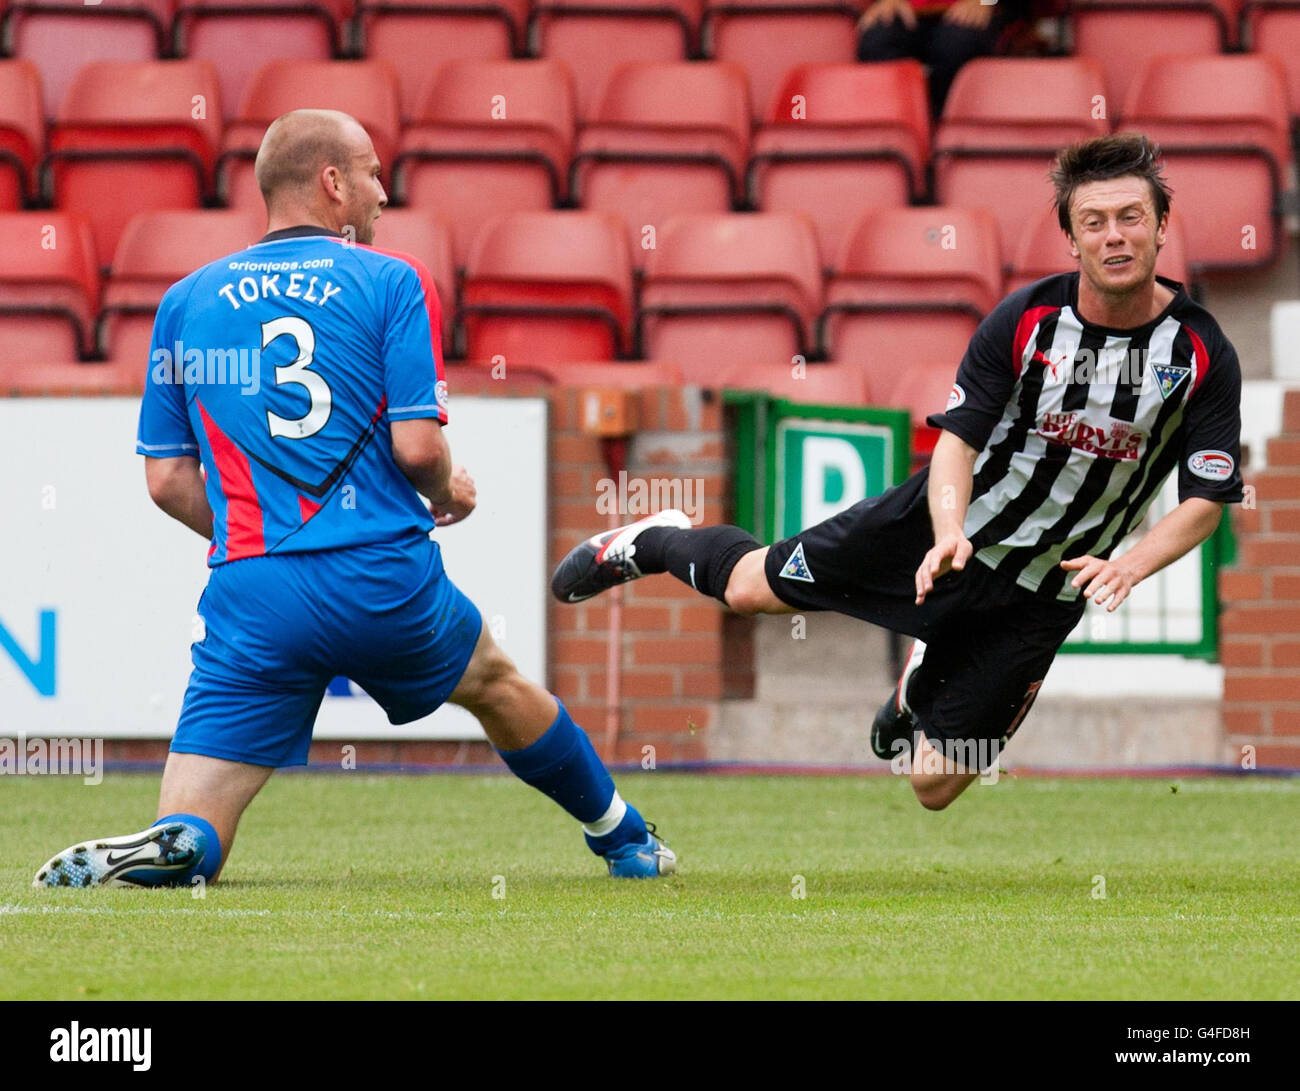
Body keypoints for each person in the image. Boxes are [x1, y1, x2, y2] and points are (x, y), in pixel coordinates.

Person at [33, 109, 675, 888]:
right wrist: (450, 490)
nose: (382, 190)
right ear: (332, 183)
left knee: (197, 827)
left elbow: (166, 478)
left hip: (254, 586)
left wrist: (253, 528)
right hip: (379, 574)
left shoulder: (185, 301)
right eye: (370, 172)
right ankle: (627, 840)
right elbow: (417, 447)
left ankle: (174, 842)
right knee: (496, 684)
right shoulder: (392, 281)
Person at [553, 133, 1244, 811]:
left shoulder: (1201, 351)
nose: (1114, 236)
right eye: (1094, 222)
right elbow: (956, 443)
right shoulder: (1026, 320)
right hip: (941, 533)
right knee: (747, 588)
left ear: (1161, 227)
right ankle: (649, 542)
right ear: (1071, 238)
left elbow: (1206, 498)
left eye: (1131, 218)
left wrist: (1131, 564)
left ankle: (917, 682)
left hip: (1043, 591)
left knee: (932, 783)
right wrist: (947, 531)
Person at [858, 0, 1017, 117]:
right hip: (908, 9)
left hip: (973, 9)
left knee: (957, 45)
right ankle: (901, 133)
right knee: (877, 40)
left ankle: (948, 134)